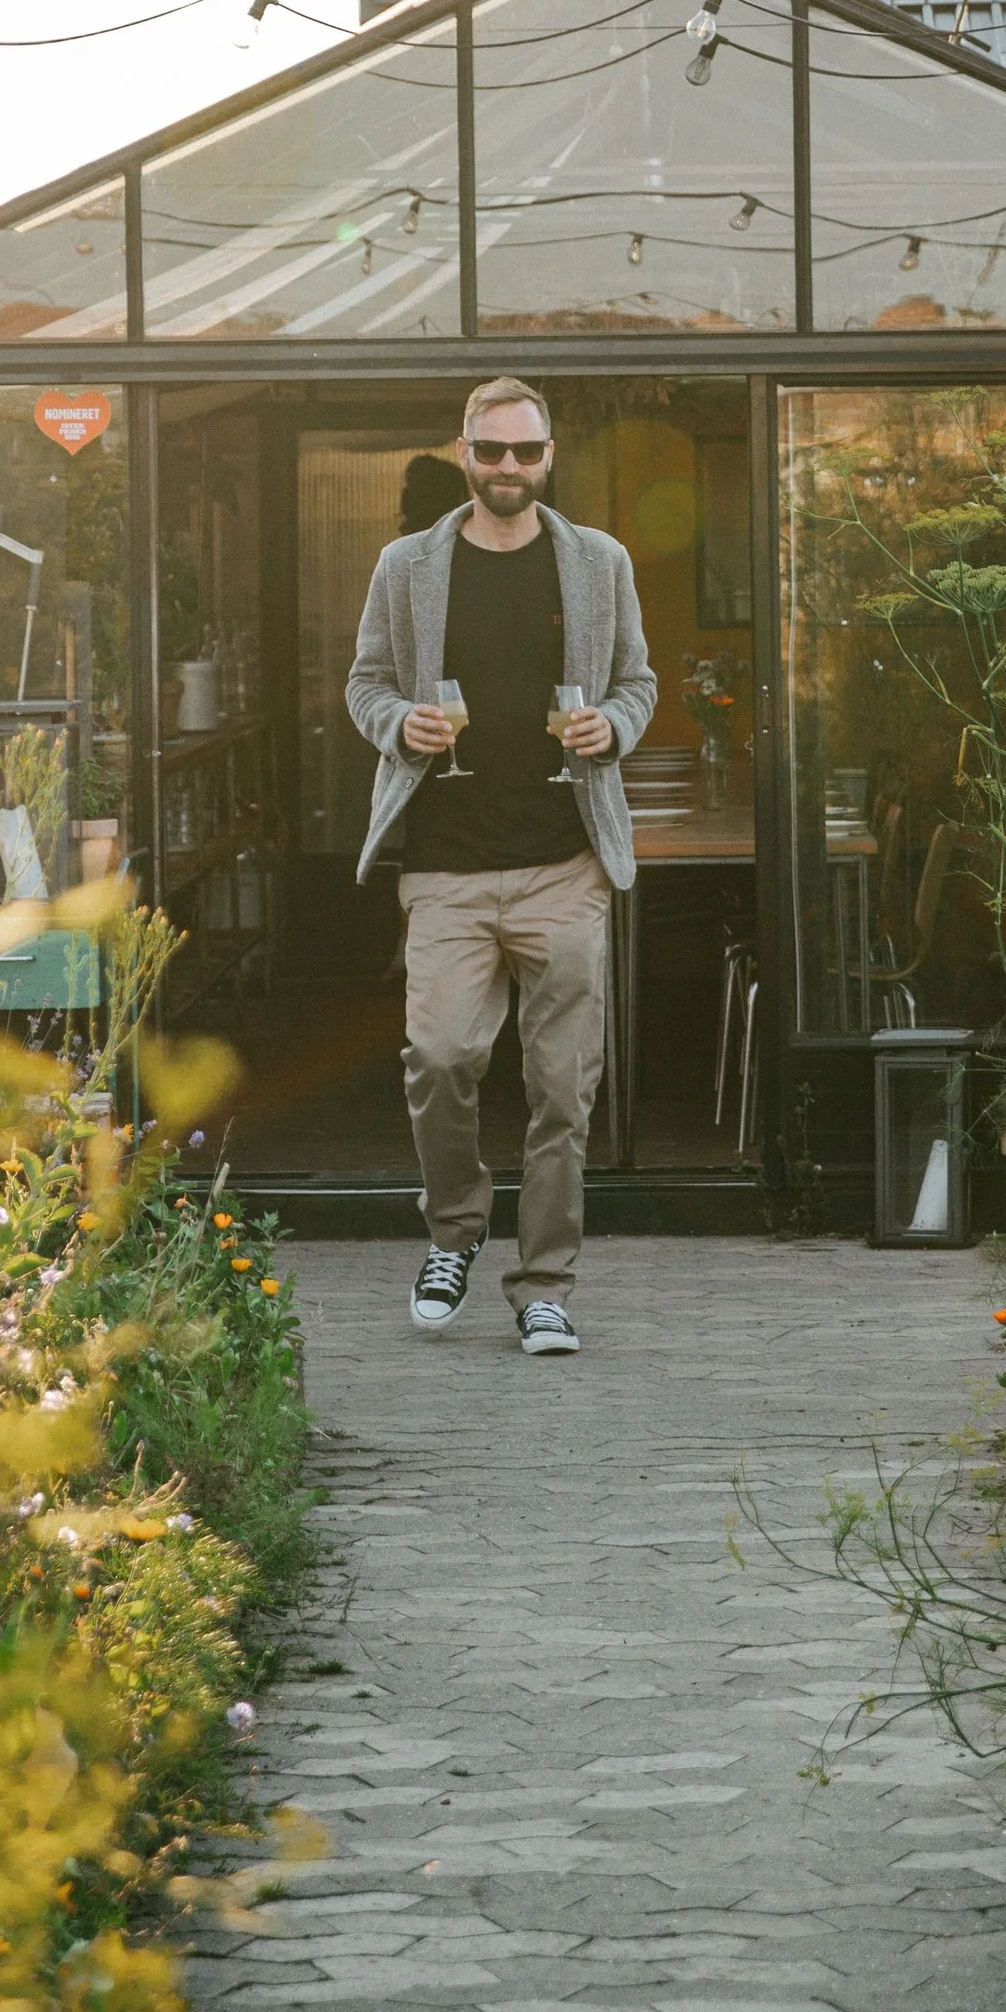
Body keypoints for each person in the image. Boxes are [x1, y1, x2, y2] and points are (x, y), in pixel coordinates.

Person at [346, 375, 656, 1356]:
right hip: (444, 867)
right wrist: (403, 723)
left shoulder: (598, 563)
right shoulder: (407, 565)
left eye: (526, 453)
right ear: (464, 452)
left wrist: (614, 725)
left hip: (564, 863)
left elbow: (637, 681)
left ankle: (545, 1285)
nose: (509, 469)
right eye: (492, 452)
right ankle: (452, 1233)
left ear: (548, 456)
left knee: (563, 1090)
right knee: (439, 1058)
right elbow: (364, 683)